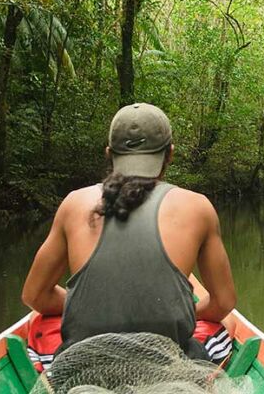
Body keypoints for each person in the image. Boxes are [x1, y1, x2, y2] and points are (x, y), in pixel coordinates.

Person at [21, 103, 237, 361]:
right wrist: (185, 309)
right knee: (229, 324)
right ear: (170, 154)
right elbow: (223, 302)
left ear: (109, 154)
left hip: (85, 362)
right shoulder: (197, 206)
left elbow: (34, 296)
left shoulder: (73, 203)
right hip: (169, 362)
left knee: (41, 327)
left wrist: (89, 304)